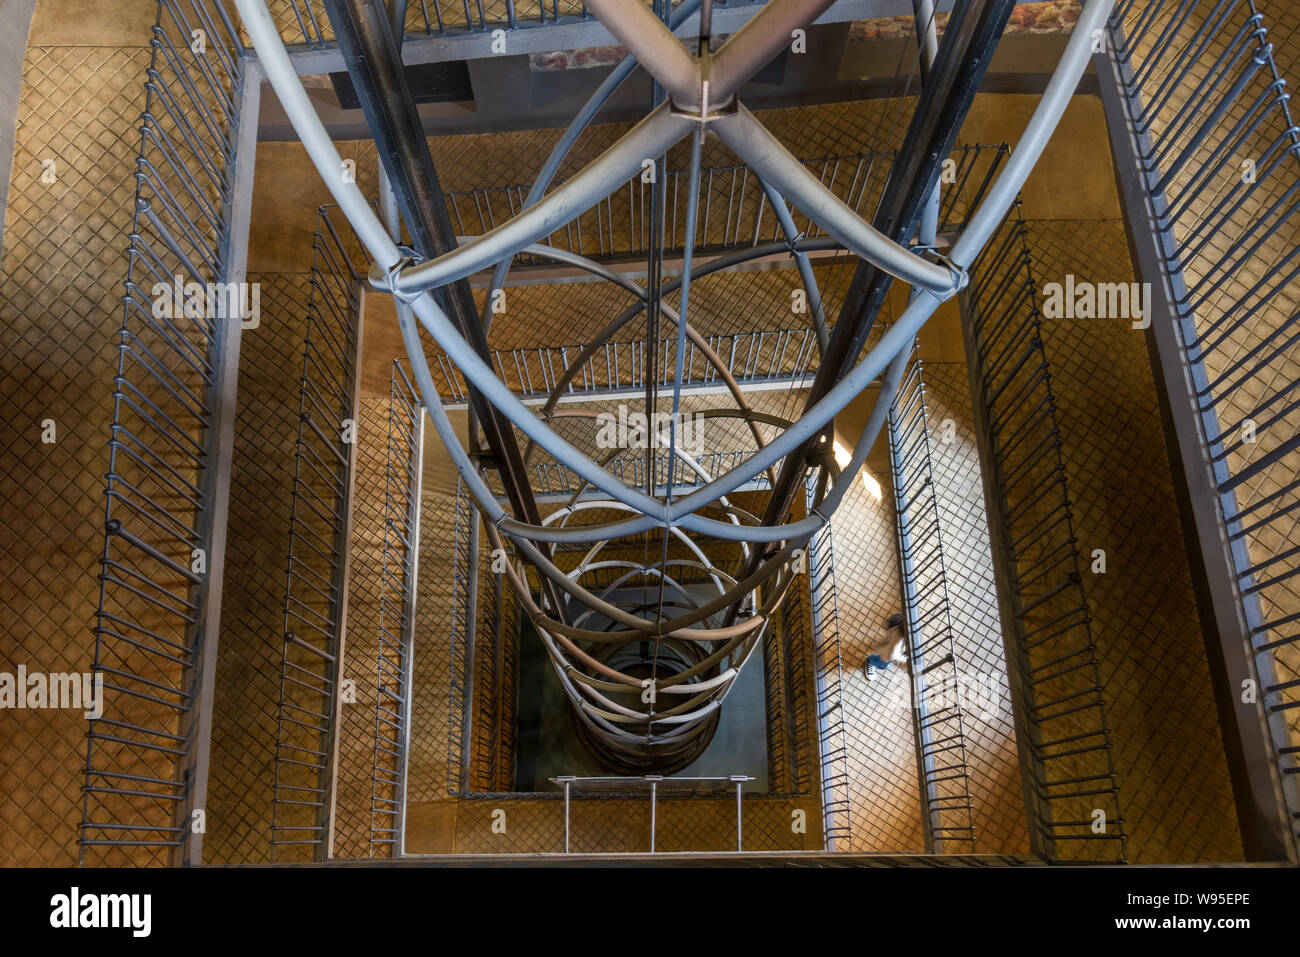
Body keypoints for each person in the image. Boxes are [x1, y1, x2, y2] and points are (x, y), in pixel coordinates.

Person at [864, 612, 909, 677]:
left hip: (896, 633)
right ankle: (871, 661)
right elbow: (893, 656)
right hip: (891, 650)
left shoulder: (904, 631)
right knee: (884, 663)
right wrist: (906, 662)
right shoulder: (898, 639)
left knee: (889, 642)